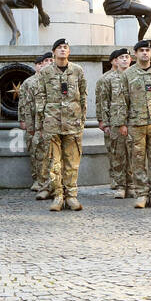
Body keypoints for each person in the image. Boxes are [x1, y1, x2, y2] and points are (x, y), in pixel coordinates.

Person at [114, 40, 151, 209]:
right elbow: (122, 100)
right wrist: (122, 123)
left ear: (150, 53)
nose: (145, 53)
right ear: (135, 54)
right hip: (135, 123)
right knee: (137, 160)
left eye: (147, 50)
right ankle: (141, 194)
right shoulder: (128, 74)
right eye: (141, 51)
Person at [37, 38, 87, 211]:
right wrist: (41, 122)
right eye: (59, 48)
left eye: (65, 47)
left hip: (73, 123)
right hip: (52, 124)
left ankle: (71, 195)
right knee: (54, 163)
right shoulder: (45, 72)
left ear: (69, 51)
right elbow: (40, 97)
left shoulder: (77, 71)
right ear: (53, 52)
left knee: (72, 161)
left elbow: (82, 97)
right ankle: (58, 195)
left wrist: (82, 120)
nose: (62, 50)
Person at [94, 49, 131, 197]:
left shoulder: (134, 76)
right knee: (117, 154)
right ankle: (119, 182)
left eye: (126, 57)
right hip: (115, 121)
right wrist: (103, 121)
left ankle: (132, 184)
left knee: (134, 155)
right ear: (114, 61)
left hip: (133, 121)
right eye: (120, 57)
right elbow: (103, 101)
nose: (123, 60)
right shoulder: (107, 79)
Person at [18, 52, 52, 193]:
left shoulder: (54, 79)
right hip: (34, 121)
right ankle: (38, 178)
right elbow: (23, 102)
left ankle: (51, 182)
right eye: (46, 61)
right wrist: (24, 120)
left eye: (51, 60)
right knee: (36, 151)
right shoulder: (30, 82)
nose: (49, 62)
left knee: (51, 154)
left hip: (51, 122)